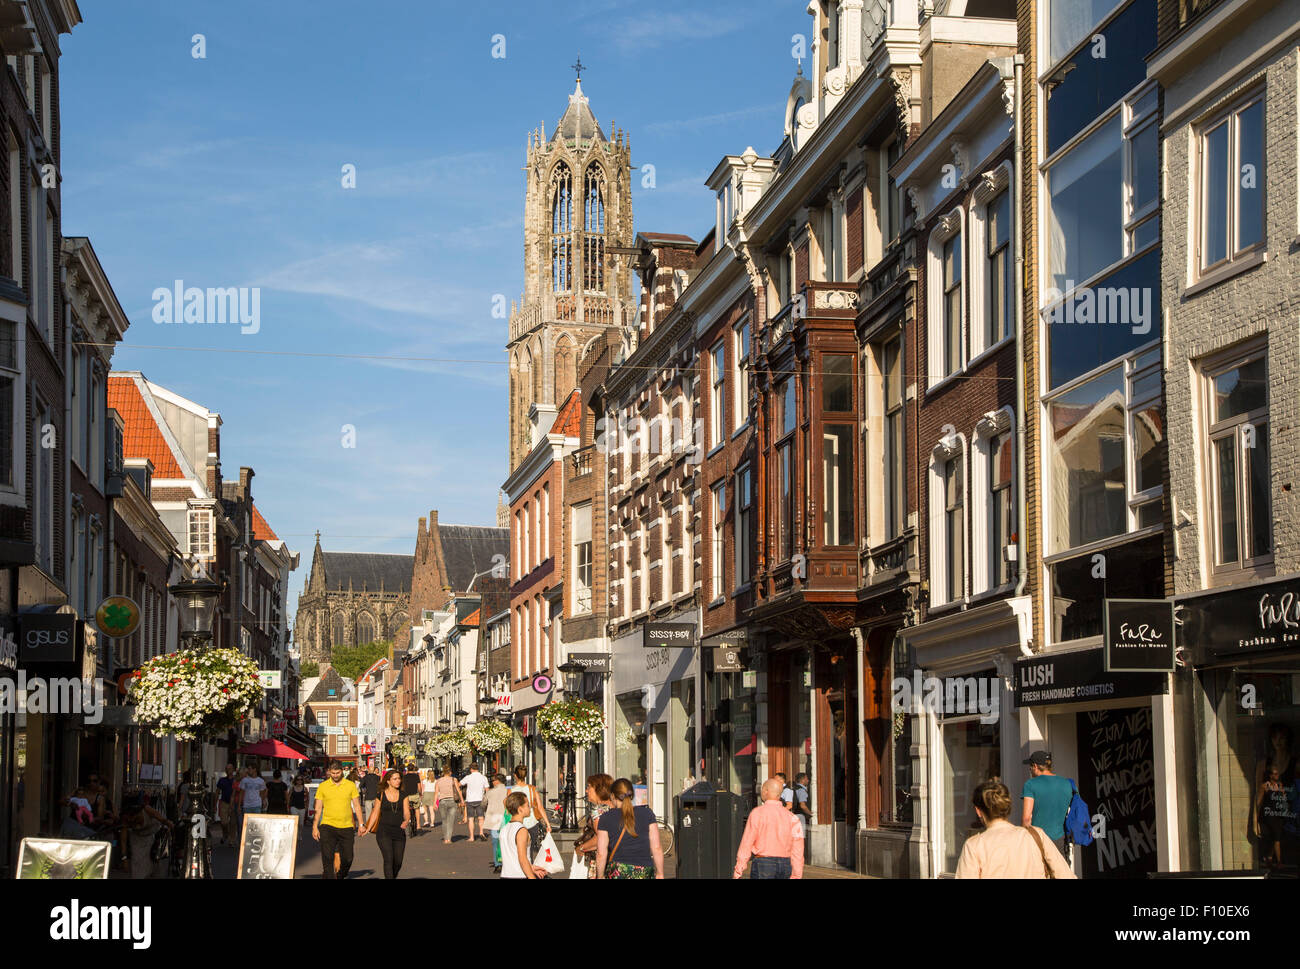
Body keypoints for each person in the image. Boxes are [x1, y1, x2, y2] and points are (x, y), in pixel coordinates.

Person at [956, 780, 1075, 878]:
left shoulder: (974, 846)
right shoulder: (1035, 835)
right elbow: (1066, 875)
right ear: (1008, 806)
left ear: (978, 811)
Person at [733, 777, 804, 879]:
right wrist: (797, 874)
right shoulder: (792, 818)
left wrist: (739, 869)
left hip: (763, 863)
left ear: (766, 791)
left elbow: (747, 842)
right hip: (785, 864)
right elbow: (798, 849)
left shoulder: (757, 813)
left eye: (762, 789)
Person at [594, 777, 664, 879]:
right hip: (644, 870)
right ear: (632, 795)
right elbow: (656, 848)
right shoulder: (647, 813)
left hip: (619, 871)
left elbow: (601, 853)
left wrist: (600, 876)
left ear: (613, 796)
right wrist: (660, 873)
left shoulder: (606, 818)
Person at [312, 760, 368, 879]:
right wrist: (315, 826)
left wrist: (362, 824)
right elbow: (318, 807)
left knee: (348, 858)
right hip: (327, 826)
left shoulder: (350, 785)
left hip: (346, 826)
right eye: (333, 773)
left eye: (337, 773)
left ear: (342, 771)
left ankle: (341, 875)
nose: (335, 775)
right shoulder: (323, 786)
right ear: (329, 772)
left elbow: (357, 806)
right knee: (327, 858)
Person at [1021, 751, 1075, 858]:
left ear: (1035, 766)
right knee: (1060, 873)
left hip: (1038, 840)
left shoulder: (1030, 784)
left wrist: (1024, 840)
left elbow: (1026, 819)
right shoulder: (1067, 783)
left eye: (1030, 767)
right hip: (1060, 839)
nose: (1030, 771)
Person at [366, 769, 411, 879]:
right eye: (395, 779)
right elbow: (375, 813)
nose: (398, 781)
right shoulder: (381, 795)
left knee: (398, 862)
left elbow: (406, 812)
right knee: (388, 859)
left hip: (399, 832)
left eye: (399, 778)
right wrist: (367, 828)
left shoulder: (403, 795)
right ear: (388, 781)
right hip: (384, 832)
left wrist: (406, 820)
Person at [500, 791, 548, 879]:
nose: (530, 808)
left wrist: (532, 868)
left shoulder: (504, 829)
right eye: (527, 805)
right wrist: (531, 877)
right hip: (519, 875)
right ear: (520, 809)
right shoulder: (522, 830)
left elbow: (512, 856)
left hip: (505, 875)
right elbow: (522, 859)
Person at [575, 773, 614, 878]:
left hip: (602, 859)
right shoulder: (615, 806)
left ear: (598, 789)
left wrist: (581, 848)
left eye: (589, 787)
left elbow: (600, 838)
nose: (587, 791)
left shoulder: (597, 810)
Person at [121, 799, 172, 879]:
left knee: (158, 867)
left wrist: (168, 826)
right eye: (129, 819)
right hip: (137, 842)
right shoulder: (125, 819)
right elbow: (123, 840)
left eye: (135, 817)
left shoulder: (147, 810)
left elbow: (162, 819)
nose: (132, 820)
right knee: (138, 869)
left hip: (154, 839)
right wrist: (124, 858)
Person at [483, 774, 510, 873]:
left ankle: (498, 864)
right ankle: (506, 861)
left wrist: (485, 811)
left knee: (495, 841)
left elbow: (483, 803)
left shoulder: (490, 792)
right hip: (506, 819)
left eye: (493, 780)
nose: (492, 782)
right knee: (506, 841)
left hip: (494, 819)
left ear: (498, 781)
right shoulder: (508, 791)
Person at [460, 762, 491, 841]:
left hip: (470, 799)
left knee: (471, 819)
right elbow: (487, 789)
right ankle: (481, 832)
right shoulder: (483, 777)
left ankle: (471, 837)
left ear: (471, 769)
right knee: (481, 818)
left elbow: (459, 784)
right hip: (480, 799)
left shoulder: (468, 777)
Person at [433, 766, 463, 843]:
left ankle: (445, 838)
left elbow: (436, 793)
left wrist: (435, 803)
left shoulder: (438, 781)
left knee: (444, 820)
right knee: (450, 821)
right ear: (450, 772)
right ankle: (449, 839)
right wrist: (462, 800)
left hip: (442, 801)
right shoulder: (454, 779)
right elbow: (458, 790)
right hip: (452, 801)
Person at [215, 764, 237, 845]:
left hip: (234, 803)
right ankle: (225, 834)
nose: (229, 770)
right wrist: (215, 805)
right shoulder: (222, 780)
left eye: (230, 769)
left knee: (233, 823)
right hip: (224, 802)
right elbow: (217, 792)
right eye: (227, 769)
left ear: (233, 770)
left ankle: (232, 839)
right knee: (224, 822)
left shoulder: (236, 780)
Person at [400, 764, 423, 835]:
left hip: (406, 796)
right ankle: (418, 825)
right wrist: (420, 794)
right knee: (417, 809)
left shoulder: (404, 777)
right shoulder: (416, 776)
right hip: (414, 795)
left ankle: (406, 821)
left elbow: (402, 787)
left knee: (406, 809)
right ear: (413, 769)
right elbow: (419, 787)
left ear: (407, 769)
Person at [289, 774, 309, 838]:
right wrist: (288, 806)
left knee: (301, 824)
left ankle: (299, 833)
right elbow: (289, 797)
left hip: (302, 807)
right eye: (298, 779)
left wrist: (306, 807)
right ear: (295, 780)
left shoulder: (305, 789)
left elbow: (307, 798)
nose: (299, 781)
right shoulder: (292, 788)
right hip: (293, 806)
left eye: (301, 780)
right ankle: (294, 835)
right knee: (295, 822)